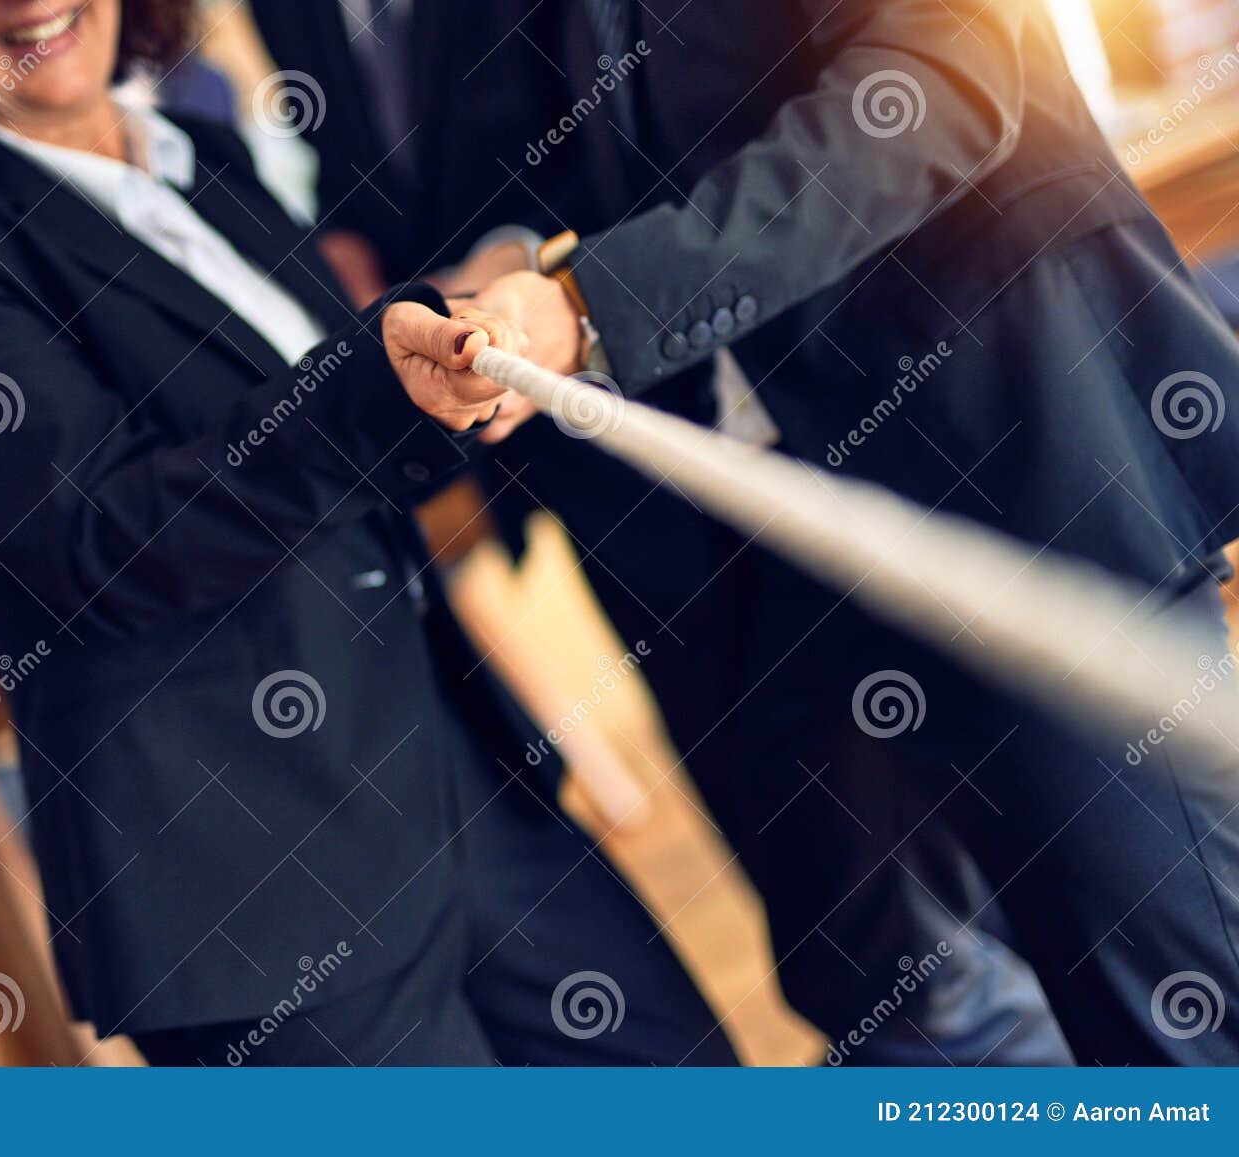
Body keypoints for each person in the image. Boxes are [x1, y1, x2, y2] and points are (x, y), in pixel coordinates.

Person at [0, 0, 737, 1066]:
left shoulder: (208, 159)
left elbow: (341, 413)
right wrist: (380, 389)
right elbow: (90, 540)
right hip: (253, 888)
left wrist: (470, 350)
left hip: (459, 776)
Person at [249, 0, 1072, 1064]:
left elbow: (611, 155)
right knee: (842, 925)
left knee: (998, 883)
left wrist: (547, 288)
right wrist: (363, 264)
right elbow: (389, 174)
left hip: (790, 390)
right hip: (608, 478)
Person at [455, 0, 1239, 1065]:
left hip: (1015, 463)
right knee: (865, 987)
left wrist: (599, 303)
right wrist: (504, 282)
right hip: (769, 537)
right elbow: (580, 177)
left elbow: (935, 86)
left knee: (1166, 997)